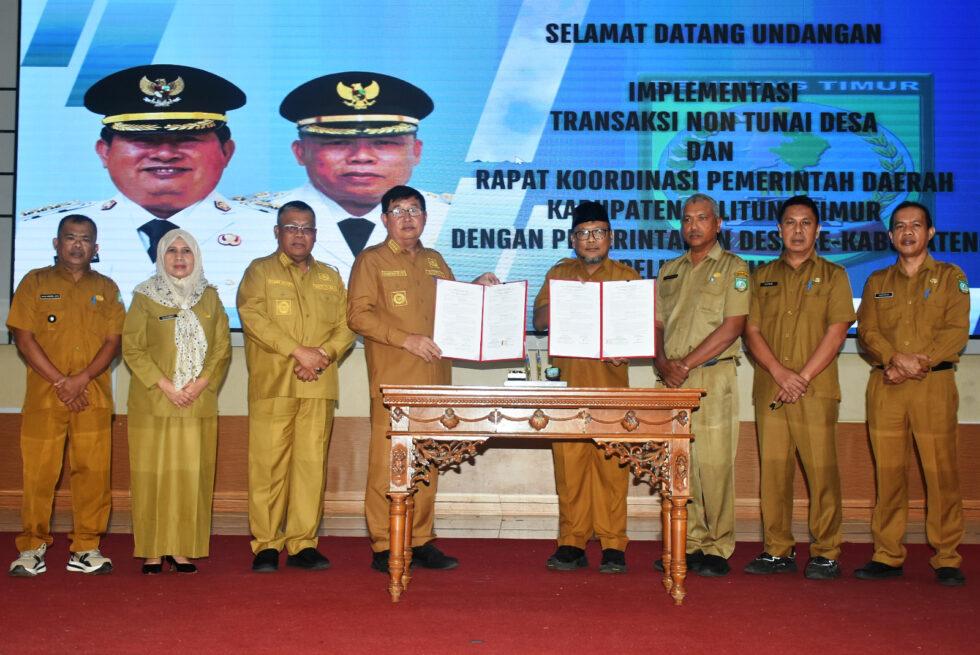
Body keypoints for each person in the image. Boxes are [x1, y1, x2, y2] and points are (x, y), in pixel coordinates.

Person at [14, 64, 269, 328]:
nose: (165, 154)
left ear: (227, 151)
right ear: (104, 152)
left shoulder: (267, 233)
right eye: (144, 139)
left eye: (187, 138)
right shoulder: (30, 236)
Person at [347, 185, 498, 573]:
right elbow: (358, 316)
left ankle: (420, 538)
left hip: (435, 378)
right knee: (388, 462)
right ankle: (384, 542)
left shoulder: (434, 260)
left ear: (426, 218)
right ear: (384, 219)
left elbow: (452, 306)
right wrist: (406, 340)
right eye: (398, 211)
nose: (407, 217)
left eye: (414, 210)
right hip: (394, 378)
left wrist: (476, 289)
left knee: (427, 459)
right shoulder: (371, 260)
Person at [854, 201, 969, 587]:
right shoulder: (876, 282)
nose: (907, 232)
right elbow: (868, 332)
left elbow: (956, 331)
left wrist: (916, 364)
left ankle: (947, 556)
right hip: (886, 386)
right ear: (890, 236)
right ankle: (887, 554)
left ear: (930, 232)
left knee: (941, 474)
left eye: (916, 225)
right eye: (900, 226)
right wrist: (894, 359)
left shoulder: (953, 277)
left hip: (932, 385)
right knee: (888, 474)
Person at [237, 200, 355, 573]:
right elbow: (253, 317)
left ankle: (303, 543)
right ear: (277, 232)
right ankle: (267, 545)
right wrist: (298, 353)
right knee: (268, 467)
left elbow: (347, 324)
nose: (299, 235)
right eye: (291, 227)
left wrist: (322, 355)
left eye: (306, 229)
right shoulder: (259, 272)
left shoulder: (330, 276)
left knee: (310, 466)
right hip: (275, 383)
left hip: (317, 385)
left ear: (315, 235)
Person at [245, 72, 451, 283]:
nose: (361, 156)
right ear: (300, 152)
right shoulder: (248, 222)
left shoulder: (453, 220)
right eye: (338, 142)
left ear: (416, 151)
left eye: (384, 143)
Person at [743, 195, 855, 580]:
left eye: (806, 223)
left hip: (815, 390)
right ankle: (777, 549)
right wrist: (780, 373)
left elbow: (837, 331)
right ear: (779, 229)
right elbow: (751, 331)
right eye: (790, 223)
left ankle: (825, 551)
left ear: (817, 229)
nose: (797, 230)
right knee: (774, 471)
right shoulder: (760, 277)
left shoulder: (835, 276)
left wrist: (801, 377)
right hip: (772, 390)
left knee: (822, 471)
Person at [7, 215, 124, 577]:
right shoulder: (34, 282)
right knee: (39, 474)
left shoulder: (107, 287)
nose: (77, 244)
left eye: (85, 239)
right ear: (56, 244)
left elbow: (113, 341)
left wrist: (82, 379)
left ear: (96, 247)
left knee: (93, 473)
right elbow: (24, 338)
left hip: (92, 397)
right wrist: (62, 381)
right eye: (70, 238)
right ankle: (32, 548)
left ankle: (86, 547)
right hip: (46, 398)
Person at [532, 200, 637, 574]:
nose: (591, 240)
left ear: (610, 237)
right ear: (572, 239)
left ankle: (613, 545)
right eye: (584, 233)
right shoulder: (559, 274)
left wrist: (627, 350)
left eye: (598, 232)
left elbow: (640, 332)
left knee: (612, 467)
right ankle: (572, 541)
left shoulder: (627, 276)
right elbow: (540, 320)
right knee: (570, 466)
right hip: (570, 386)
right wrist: (565, 300)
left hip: (610, 387)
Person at [122, 229, 231, 574]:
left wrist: (199, 385)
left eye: (187, 251)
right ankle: (153, 550)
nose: (180, 257)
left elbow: (221, 348)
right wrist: (167, 386)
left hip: (197, 403)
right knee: (151, 476)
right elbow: (133, 347)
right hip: (155, 401)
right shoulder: (144, 296)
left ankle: (182, 549)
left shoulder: (210, 297)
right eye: (172, 251)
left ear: (196, 257)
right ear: (160, 256)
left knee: (191, 475)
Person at [653, 193, 749, 577]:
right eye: (687, 219)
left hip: (712, 376)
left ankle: (717, 545)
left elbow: (733, 326)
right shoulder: (669, 270)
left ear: (718, 223)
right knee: (677, 464)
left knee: (714, 465)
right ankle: (686, 543)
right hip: (671, 381)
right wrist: (662, 363)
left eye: (702, 218)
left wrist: (686, 364)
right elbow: (657, 324)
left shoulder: (734, 269)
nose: (693, 226)